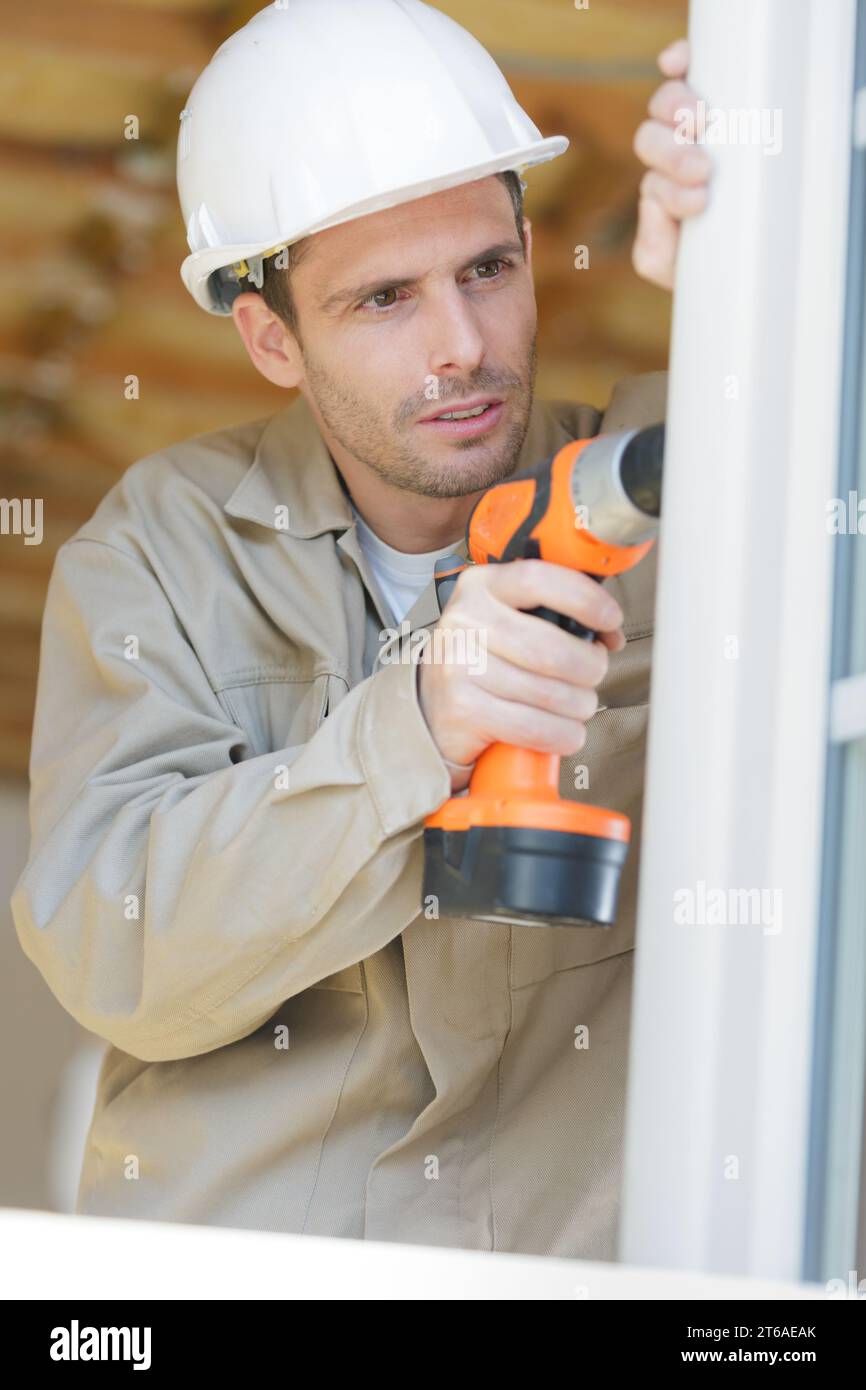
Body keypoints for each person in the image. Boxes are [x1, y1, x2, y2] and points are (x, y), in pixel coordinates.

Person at [11, 3, 709, 1258]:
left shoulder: (674, 493)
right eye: (384, 297)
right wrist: (419, 728)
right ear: (271, 334)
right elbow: (116, 946)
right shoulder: (158, 555)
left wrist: (761, 261)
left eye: (485, 270)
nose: (461, 345)